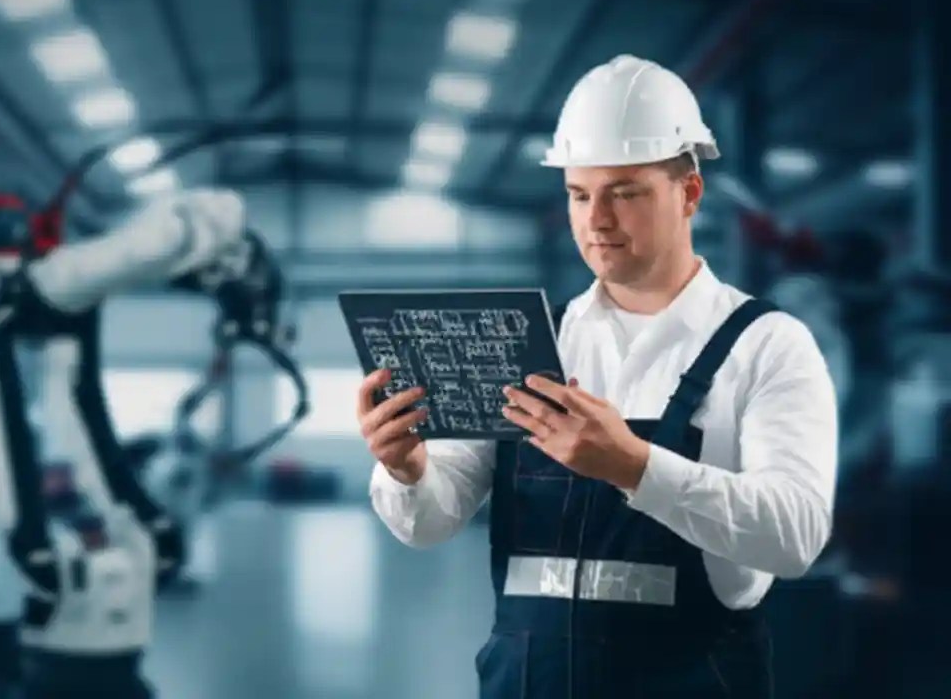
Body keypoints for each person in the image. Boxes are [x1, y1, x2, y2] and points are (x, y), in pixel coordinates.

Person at [359, 55, 838, 699]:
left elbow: (795, 537)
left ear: (689, 192)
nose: (596, 220)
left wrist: (635, 467)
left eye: (625, 192)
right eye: (579, 195)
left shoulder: (767, 346)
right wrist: (407, 469)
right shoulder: (528, 344)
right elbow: (429, 524)